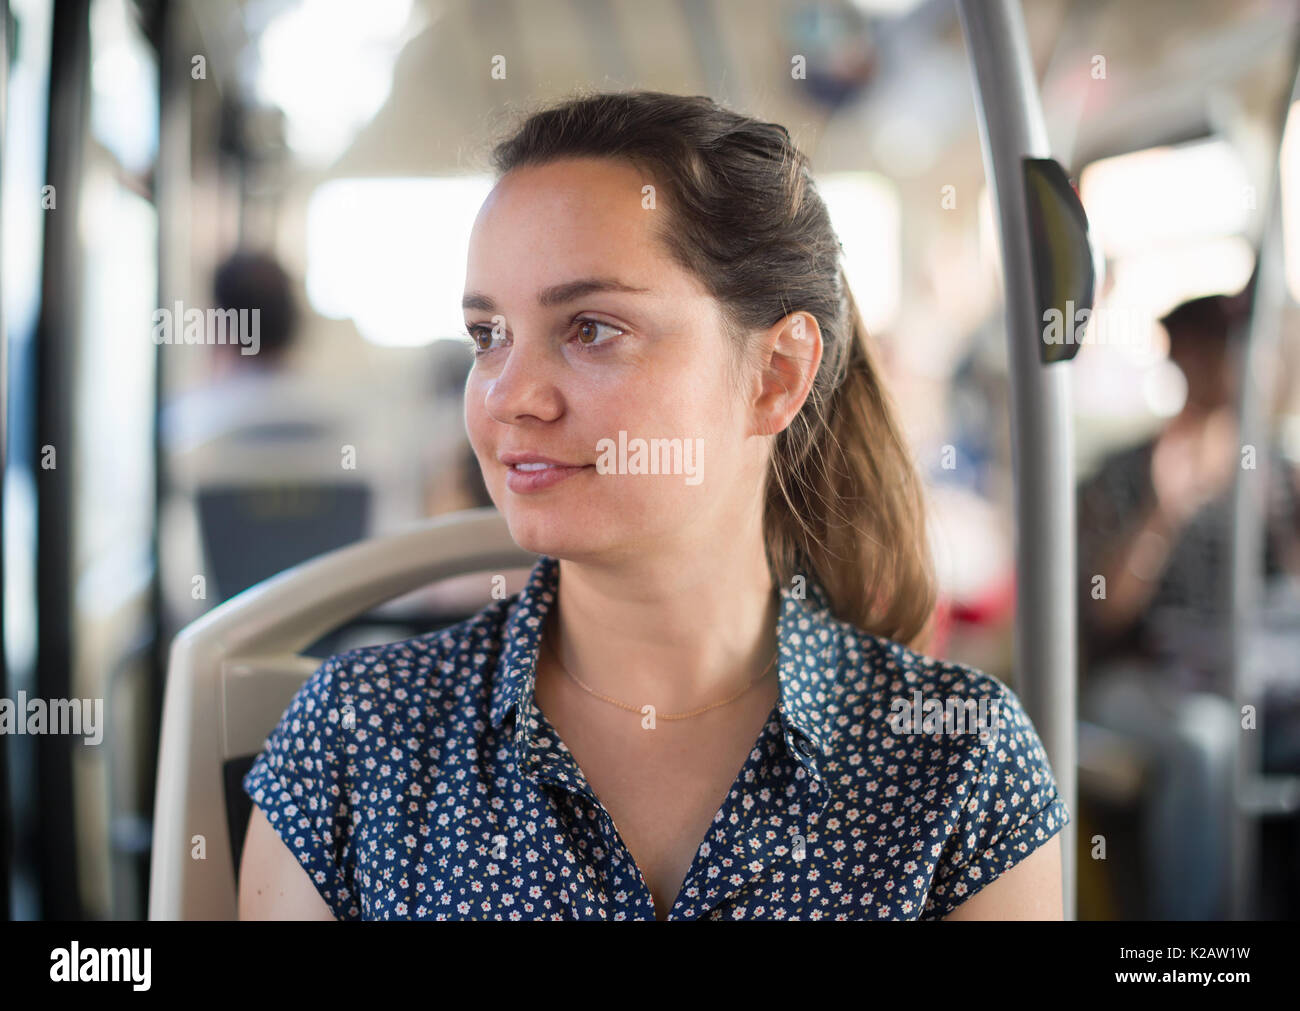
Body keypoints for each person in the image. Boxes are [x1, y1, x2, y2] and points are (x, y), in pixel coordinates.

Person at [237, 90, 1068, 921]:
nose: (510, 396)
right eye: (489, 335)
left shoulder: (958, 762)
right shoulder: (353, 741)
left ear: (776, 374)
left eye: (592, 328)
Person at [1076, 285, 1297, 919]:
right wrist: (1163, 514)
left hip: (1249, 679)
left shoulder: (1274, 471)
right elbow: (1105, 609)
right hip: (1141, 680)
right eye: (1214, 350)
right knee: (1208, 742)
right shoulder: (1126, 473)